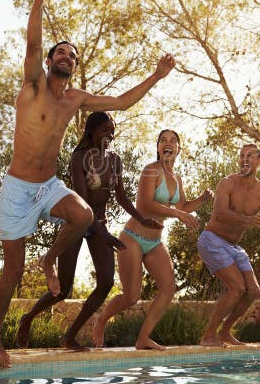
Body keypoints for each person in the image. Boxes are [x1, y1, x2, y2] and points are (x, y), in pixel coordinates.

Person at [0, 0, 175, 368]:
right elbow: (32, 44)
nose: (67, 57)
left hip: (48, 185)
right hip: (18, 188)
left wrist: (156, 76)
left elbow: (121, 102)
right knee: (11, 271)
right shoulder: (32, 85)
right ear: (50, 60)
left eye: (73, 55)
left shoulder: (76, 99)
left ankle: (50, 259)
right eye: (62, 52)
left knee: (84, 214)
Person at [16, 112, 162, 351]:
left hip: (100, 224)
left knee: (106, 282)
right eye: (105, 130)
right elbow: (82, 201)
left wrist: (142, 219)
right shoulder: (79, 157)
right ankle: (28, 318)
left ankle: (70, 336)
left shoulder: (115, 160)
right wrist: (104, 235)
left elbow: (122, 197)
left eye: (112, 131)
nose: (110, 135)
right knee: (63, 289)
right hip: (77, 222)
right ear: (91, 131)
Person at [92, 129, 213, 350]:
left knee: (168, 288)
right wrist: (178, 214)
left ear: (178, 149)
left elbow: (183, 206)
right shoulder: (150, 171)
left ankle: (143, 338)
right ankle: (101, 320)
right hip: (133, 238)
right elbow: (144, 205)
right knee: (131, 297)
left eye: (173, 141)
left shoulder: (176, 178)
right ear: (158, 147)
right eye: (163, 140)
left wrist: (202, 199)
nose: (168, 143)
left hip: (154, 242)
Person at [197, 143, 260, 346]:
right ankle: (208, 336)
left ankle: (224, 332)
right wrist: (247, 220)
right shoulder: (227, 183)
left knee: (253, 291)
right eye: (241, 155)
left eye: (250, 155)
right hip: (212, 239)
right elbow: (219, 213)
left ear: (259, 161)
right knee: (236, 288)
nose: (244, 159)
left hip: (234, 247)